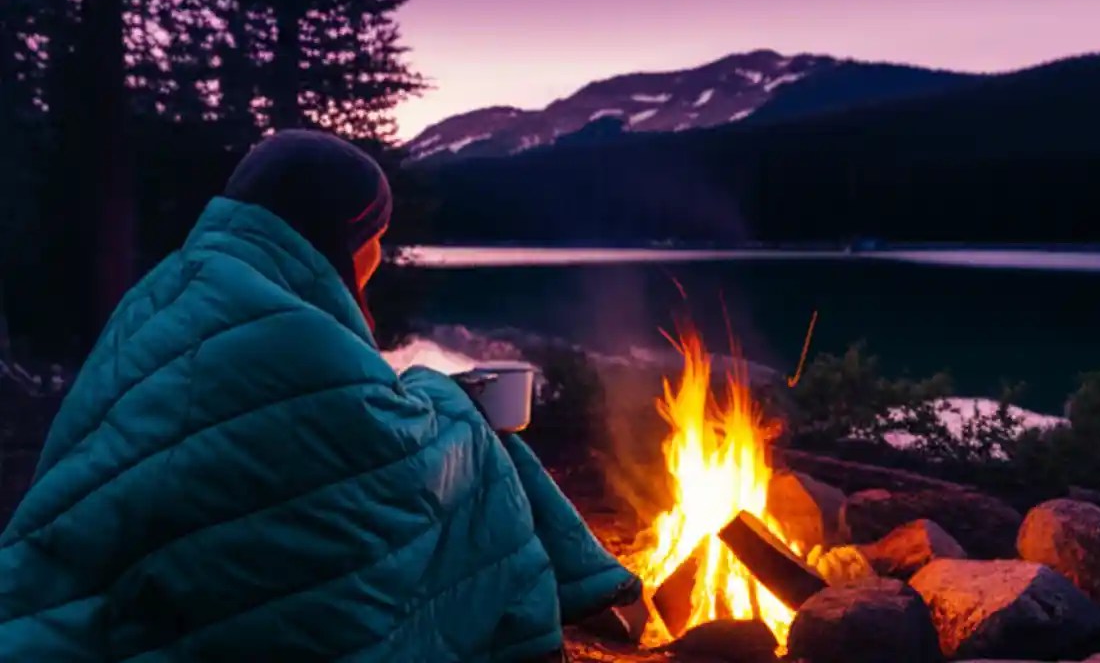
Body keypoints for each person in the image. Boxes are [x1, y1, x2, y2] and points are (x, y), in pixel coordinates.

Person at [0, 130, 639, 661]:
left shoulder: (156, 296)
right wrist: (445, 400)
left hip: (92, 595)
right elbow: (394, 467)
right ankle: (583, 593)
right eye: (377, 236)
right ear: (339, 234)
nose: (379, 257)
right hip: (202, 616)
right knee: (471, 446)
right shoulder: (296, 333)